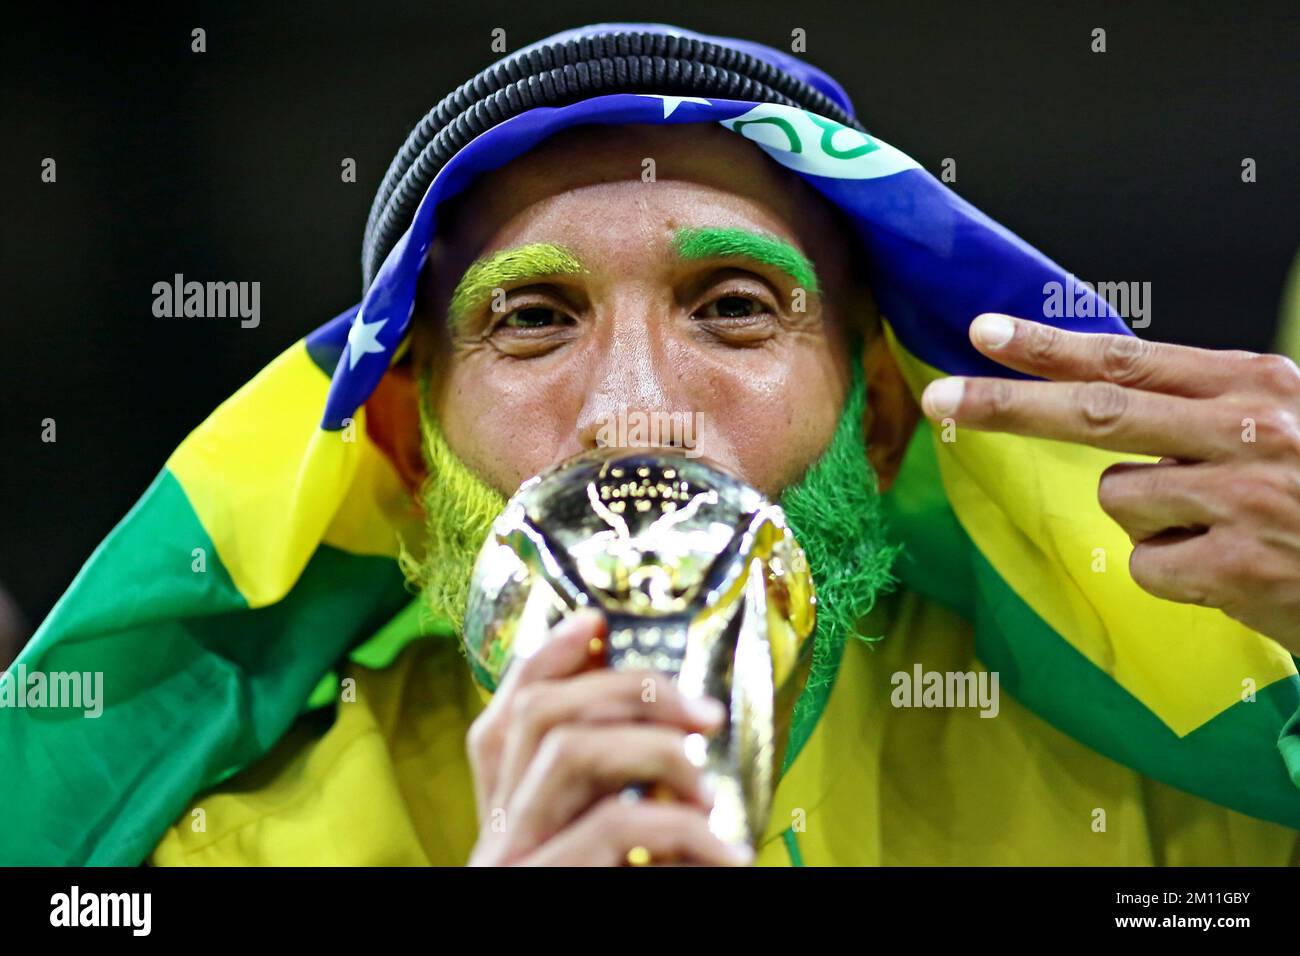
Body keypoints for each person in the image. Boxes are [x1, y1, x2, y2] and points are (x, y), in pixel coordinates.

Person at [4, 23, 1299, 866]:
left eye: (735, 308)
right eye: (531, 317)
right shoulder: (226, 848)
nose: (637, 413)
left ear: (885, 421)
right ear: (405, 447)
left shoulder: (1164, 800)